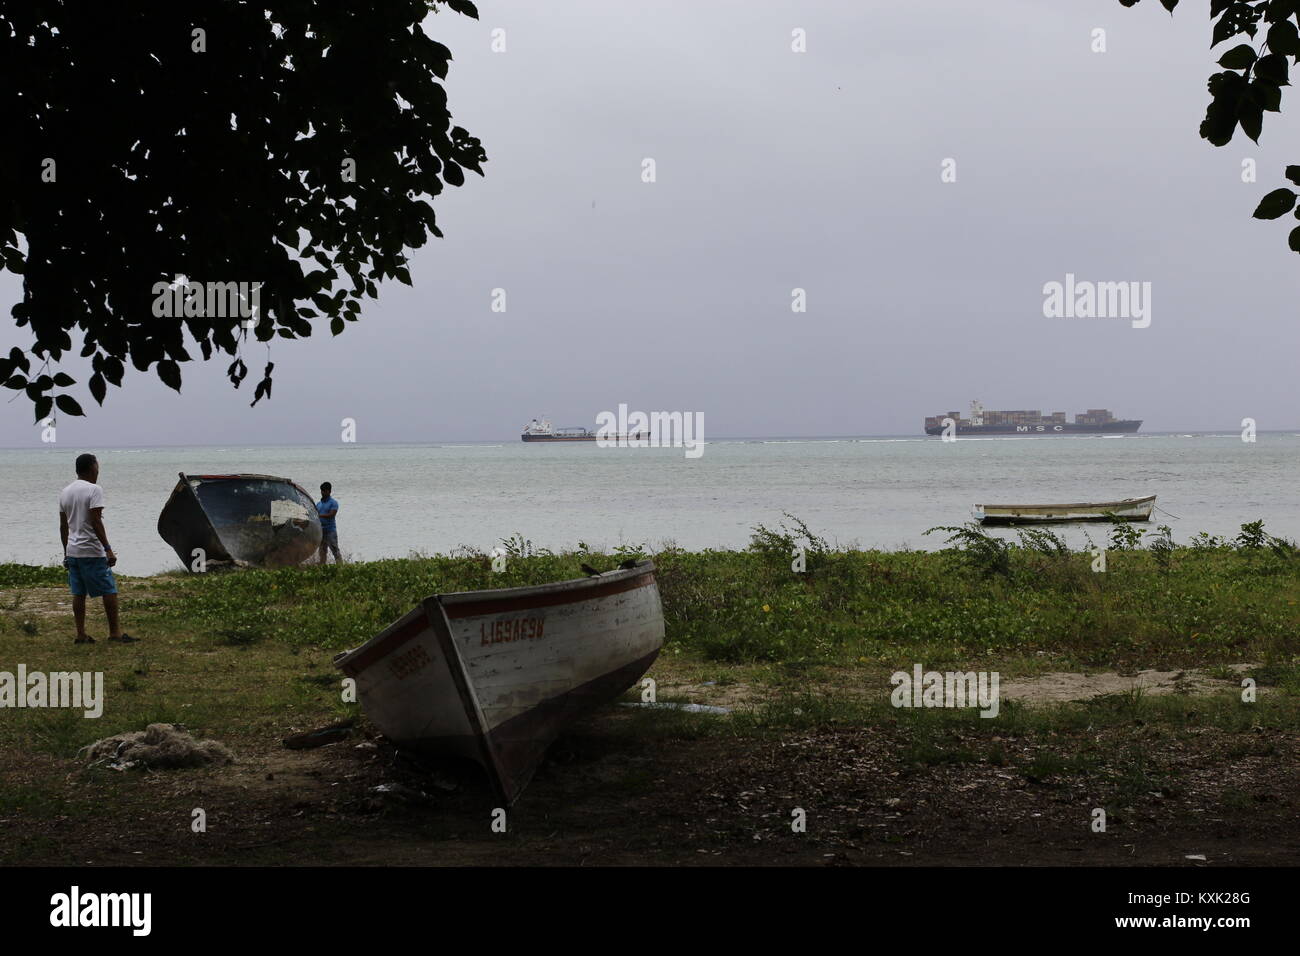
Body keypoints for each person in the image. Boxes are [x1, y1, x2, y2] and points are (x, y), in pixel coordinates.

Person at [59, 453, 136, 644]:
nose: (98, 470)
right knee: (109, 589)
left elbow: (63, 526)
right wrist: (108, 548)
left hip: (73, 551)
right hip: (91, 550)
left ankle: (81, 634)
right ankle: (115, 633)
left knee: (78, 593)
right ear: (92, 467)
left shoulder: (65, 491)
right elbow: (96, 520)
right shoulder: (94, 490)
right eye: (97, 466)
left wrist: (66, 552)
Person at [317, 482, 341, 564]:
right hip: (321, 531)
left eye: (324, 491)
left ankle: (340, 566)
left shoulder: (333, 503)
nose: (322, 492)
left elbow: (332, 514)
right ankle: (322, 566)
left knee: (335, 550)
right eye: (321, 491)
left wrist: (319, 516)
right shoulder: (318, 504)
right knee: (322, 552)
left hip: (330, 531)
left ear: (329, 491)